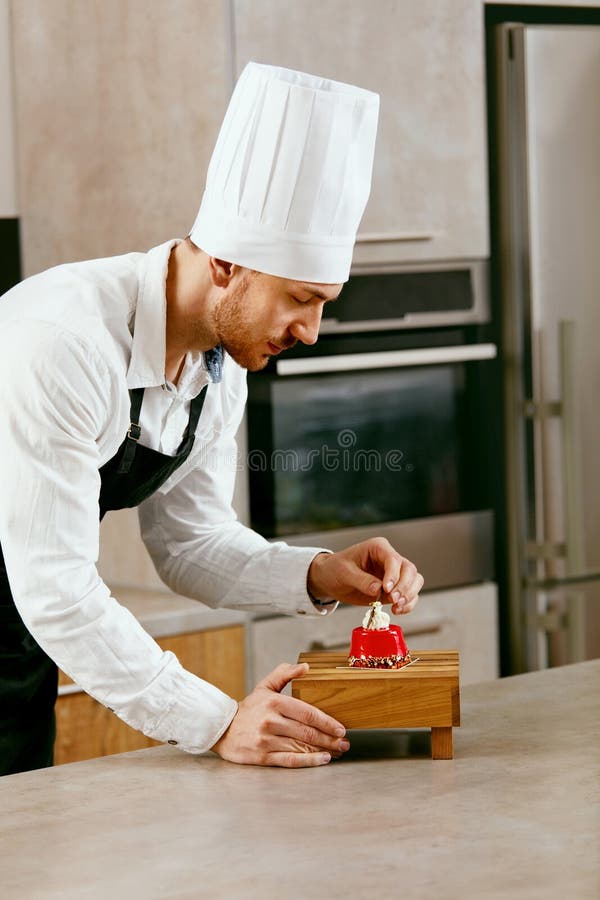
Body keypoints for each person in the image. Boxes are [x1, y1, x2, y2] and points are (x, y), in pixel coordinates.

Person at [0, 62, 423, 776]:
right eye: (301, 299)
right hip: (36, 606)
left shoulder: (218, 366)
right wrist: (220, 721)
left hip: (18, 645)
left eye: (324, 303)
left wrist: (322, 574)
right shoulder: (62, 340)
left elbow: (189, 543)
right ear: (226, 265)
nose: (312, 330)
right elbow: (55, 587)